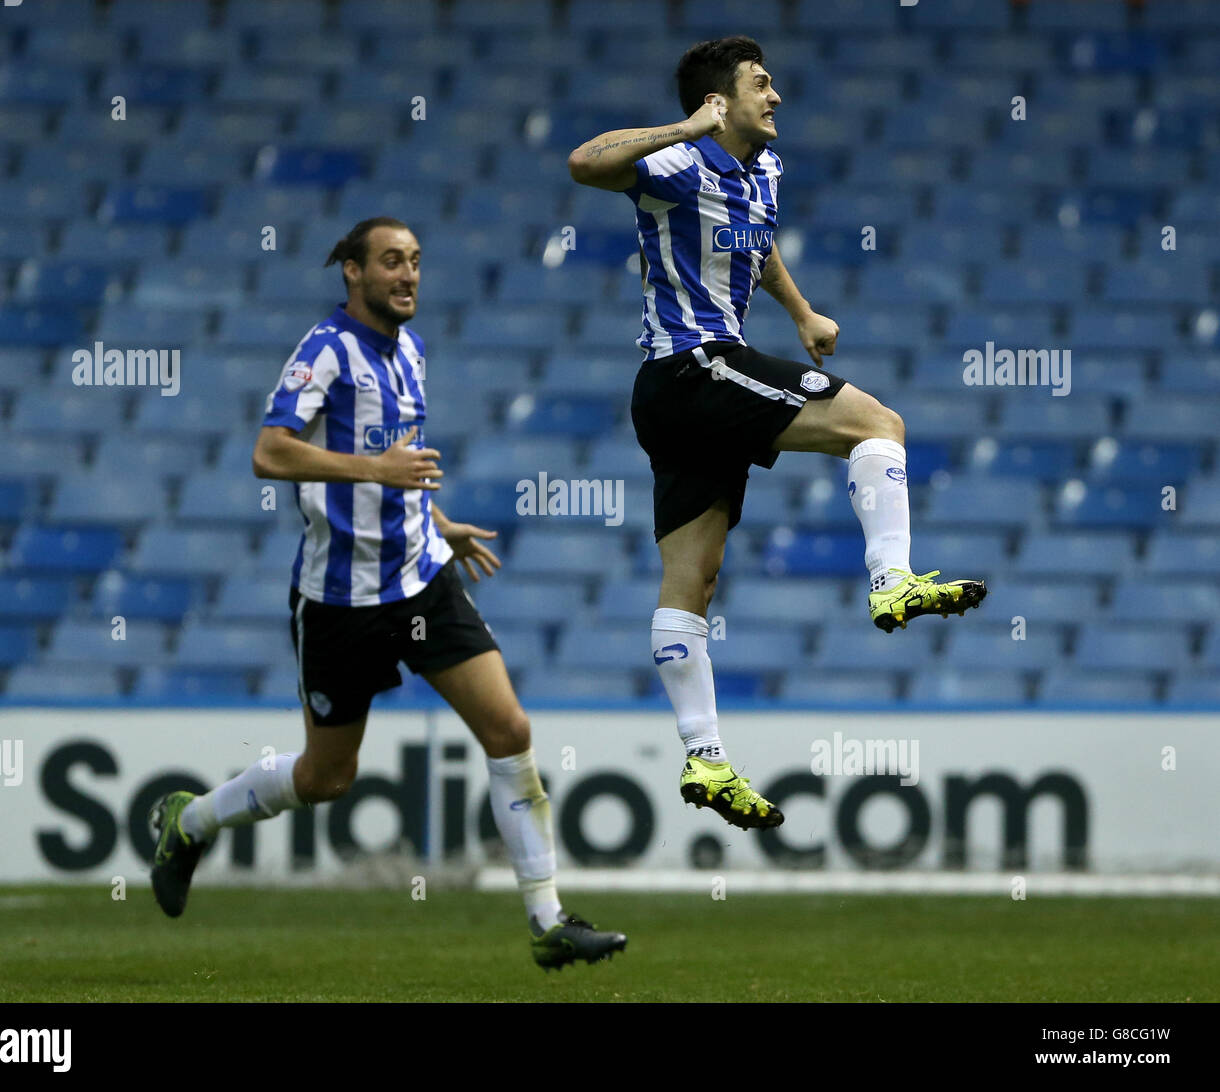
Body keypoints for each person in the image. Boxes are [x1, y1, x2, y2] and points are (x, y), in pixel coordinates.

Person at [149, 218, 625, 971]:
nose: (408, 277)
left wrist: (437, 522)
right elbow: (269, 453)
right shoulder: (324, 350)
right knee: (327, 778)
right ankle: (192, 822)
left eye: (415, 264)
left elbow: (398, 465)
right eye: (391, 263)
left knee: (508, 728)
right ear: (353, 273)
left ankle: (548, 920)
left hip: (421, 581)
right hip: (338, 603)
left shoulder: (412, 353)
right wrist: (375, 472)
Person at [567, 37, 986, 831]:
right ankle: (891, 579)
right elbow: (586, 163)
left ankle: (705, 756)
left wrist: (800, 313)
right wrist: (684, 129)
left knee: (693, 581)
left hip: (686, 392)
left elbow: (753, 249)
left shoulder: (764, 171)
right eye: (762, 84)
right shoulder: (678, 165)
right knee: (878, 424)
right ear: (720, 101)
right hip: (692, 367)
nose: (778, 95)